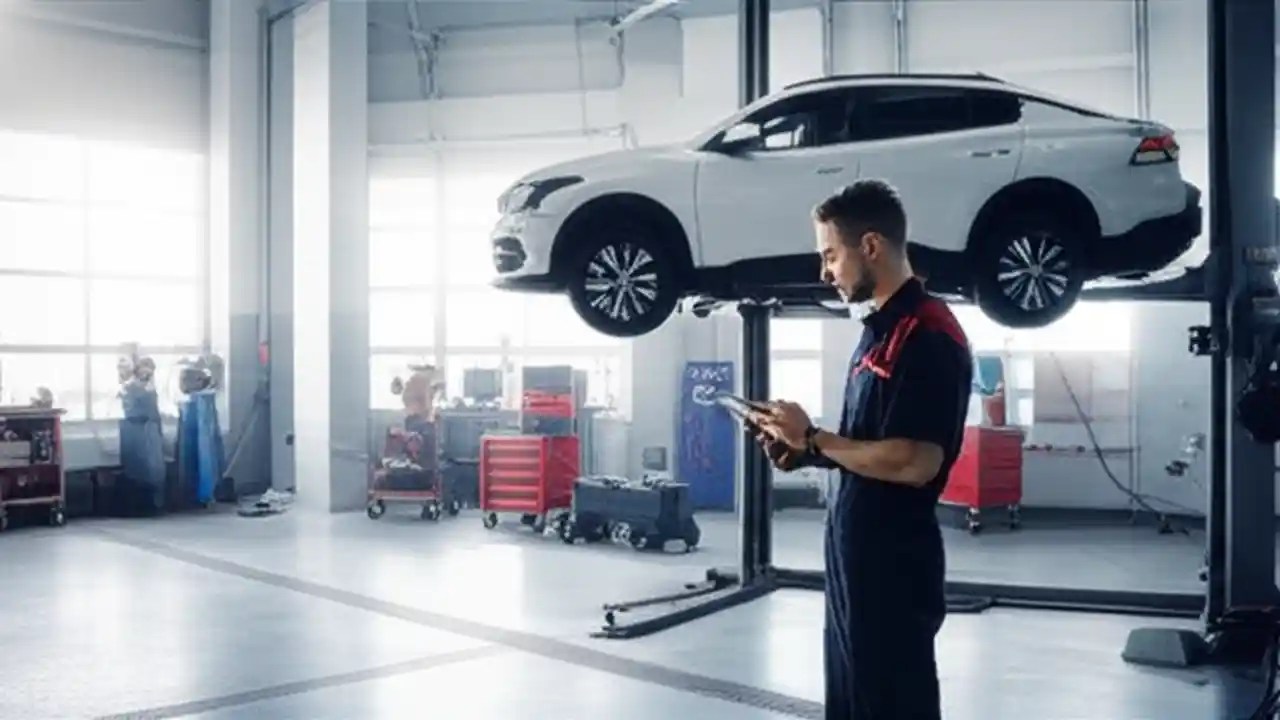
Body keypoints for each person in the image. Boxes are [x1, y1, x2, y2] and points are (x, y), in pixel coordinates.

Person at [752, 179, 974, 720]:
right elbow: (868, 443)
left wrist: (814, 438)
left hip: (894, 568)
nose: (824, 272)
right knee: (852, 702)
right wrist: (806, 452)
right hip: (855, 562)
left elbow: (916, 462)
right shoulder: (878, 331)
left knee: (892, 705)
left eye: (831, 255)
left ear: (870, 245)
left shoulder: (928, 333)